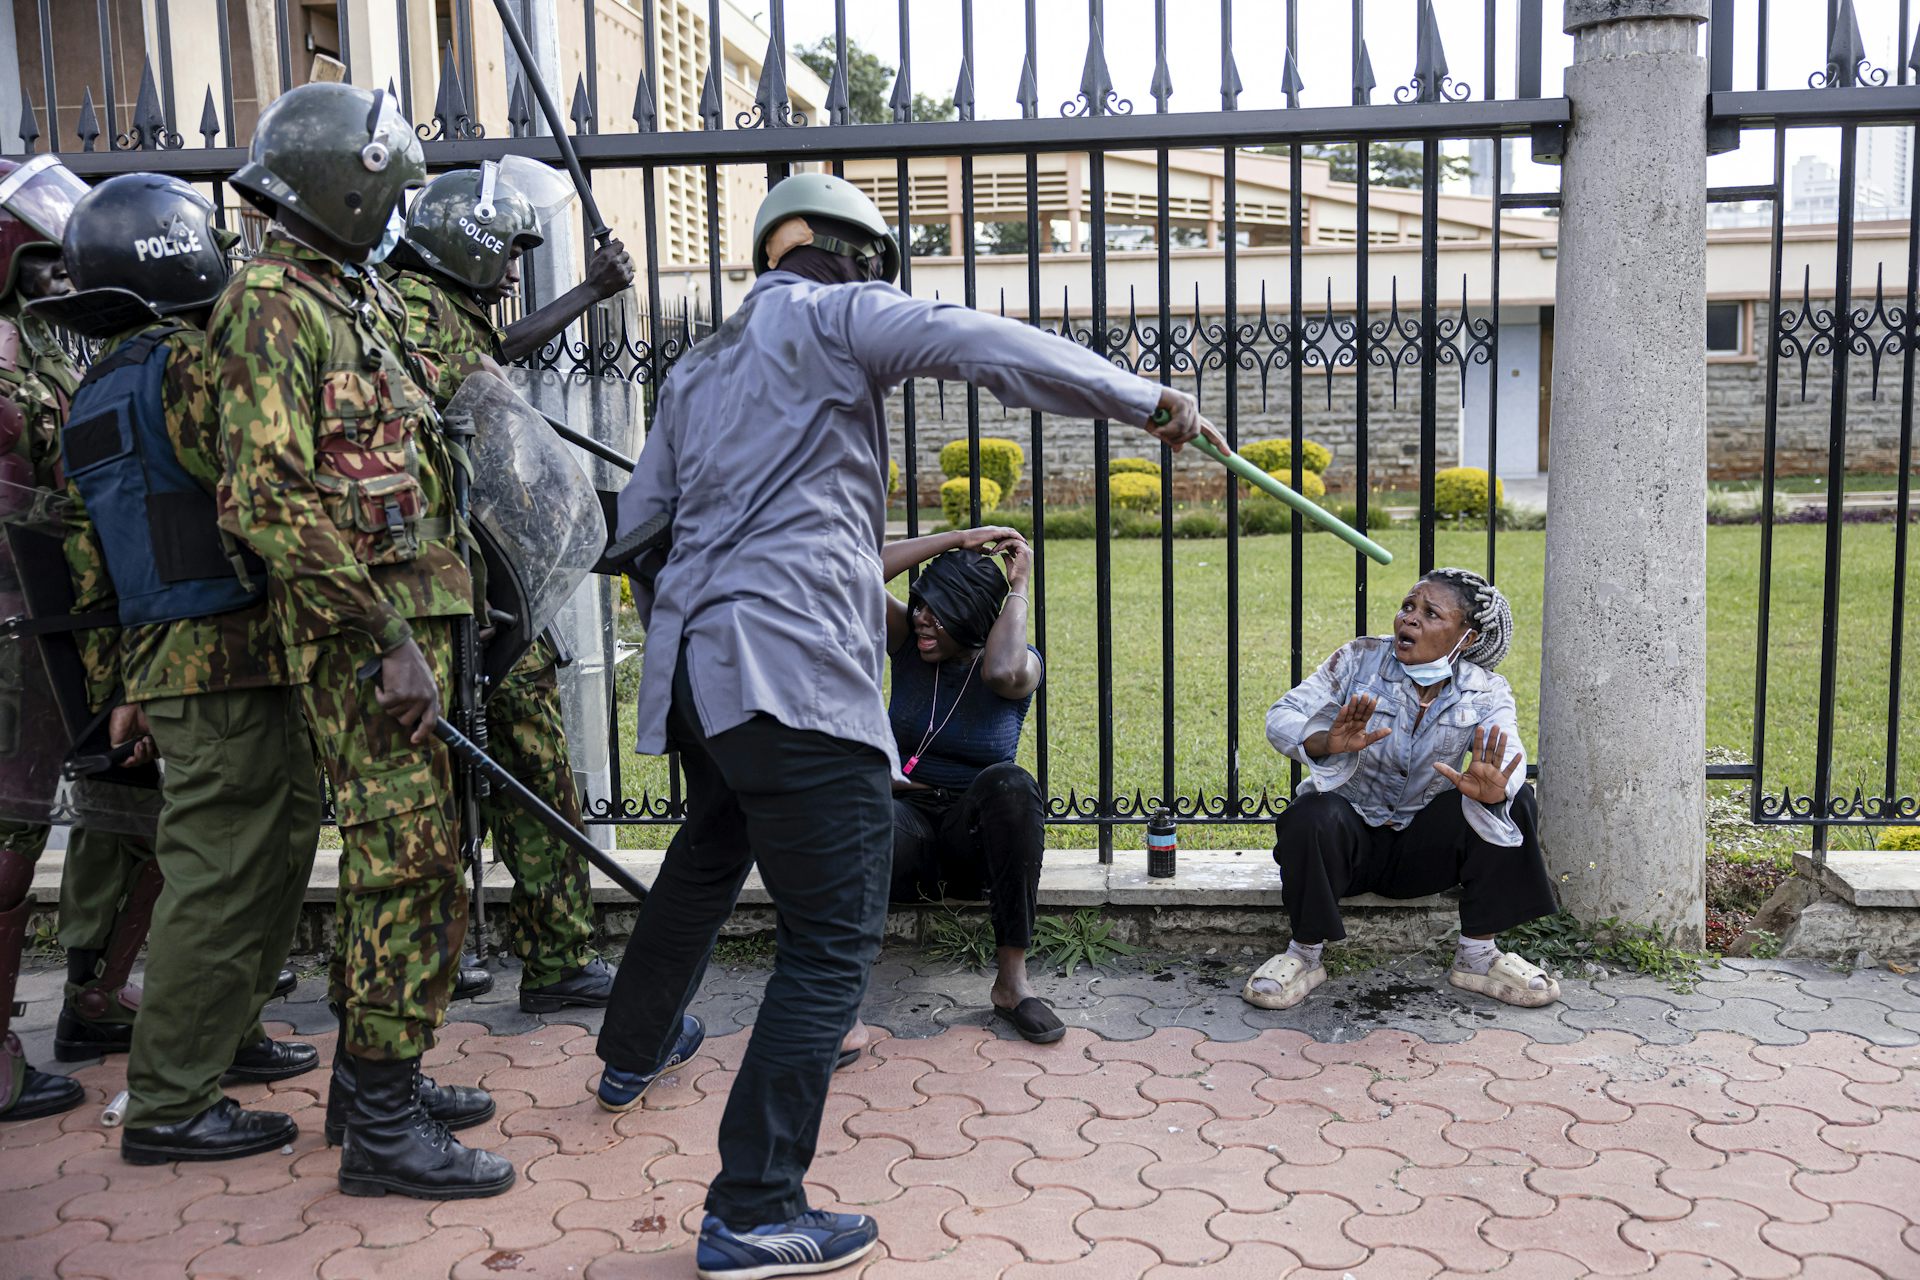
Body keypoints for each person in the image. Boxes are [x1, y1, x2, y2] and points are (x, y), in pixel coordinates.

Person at [599, 171, 1215, 1279]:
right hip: (790, 683)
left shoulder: (695, 370)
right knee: (833, 938)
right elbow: (980, 341)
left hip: (704, 676)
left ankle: (629, 1049)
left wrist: (797, 591)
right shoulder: (836, 316)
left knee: (709, 847)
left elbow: (639, 528)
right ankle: (752, 1206)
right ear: (850, 253)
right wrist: (1143, 399)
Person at [212, 82, 507, 1198]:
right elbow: (267, 499)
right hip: (359, 638)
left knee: (423, 859)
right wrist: (386, 634)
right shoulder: (271, 306)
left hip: (408, 626)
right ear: (347, 184)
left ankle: (373, 1078)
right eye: (385, 189)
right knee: (404, 862)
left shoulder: (351, 295)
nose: (395, 210)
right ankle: (383, 1127)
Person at [41, 174, 324, 1162]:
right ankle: (168, 1099)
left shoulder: (96, 388)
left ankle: (224, 1037)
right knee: (222, 872)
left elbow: (90, 562)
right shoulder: (188, 367)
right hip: (227, 652)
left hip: (175, 658)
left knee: (268, 852)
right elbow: (262, 483)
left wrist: (123, 685)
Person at [387, 162, 635, 1013]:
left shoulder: (437, 309)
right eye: (511, 251)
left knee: (506, 767)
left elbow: (486, 363)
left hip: (474, 589)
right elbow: (473, 371)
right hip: (445, 601)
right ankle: (547, 959)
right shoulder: (420, 308)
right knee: (511, 766)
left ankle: (537, 953)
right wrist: (586, 292)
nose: (515, 269)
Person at [0, 154, 166, 1121]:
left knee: (145, 805)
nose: (57, 284)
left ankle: (99, 995)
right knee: (11, 845)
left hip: (81, 600)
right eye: (40, 267)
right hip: (16, 618)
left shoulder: (47, 341)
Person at [1246, 568, 1562, 1011]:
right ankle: (1303, 954)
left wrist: (1495, 791)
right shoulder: (1359, 660)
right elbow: (1283, 714)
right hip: (1347, 848)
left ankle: (1477, 955)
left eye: (1431, 613)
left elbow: (1506, 750)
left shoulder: (1486, 690)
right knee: (1310, 813)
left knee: (1515, 801)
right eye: (1408, 606)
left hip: (1421, 852)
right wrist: (1324, 741)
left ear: (1465, 639)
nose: (1409, 620)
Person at [840, 528, 1055, 1062]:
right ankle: (842, 1002)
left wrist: (1019, 583)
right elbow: (853, 571)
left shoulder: (1016, 666)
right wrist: (954, 539)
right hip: (905, 833)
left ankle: (1012, 985)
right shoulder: (909, 646)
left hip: (973, 845)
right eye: (920, 606)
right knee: (859, 803)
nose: (920, 619)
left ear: (975, 618)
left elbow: (1003, 669)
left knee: (1011, 784)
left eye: (940, 612)